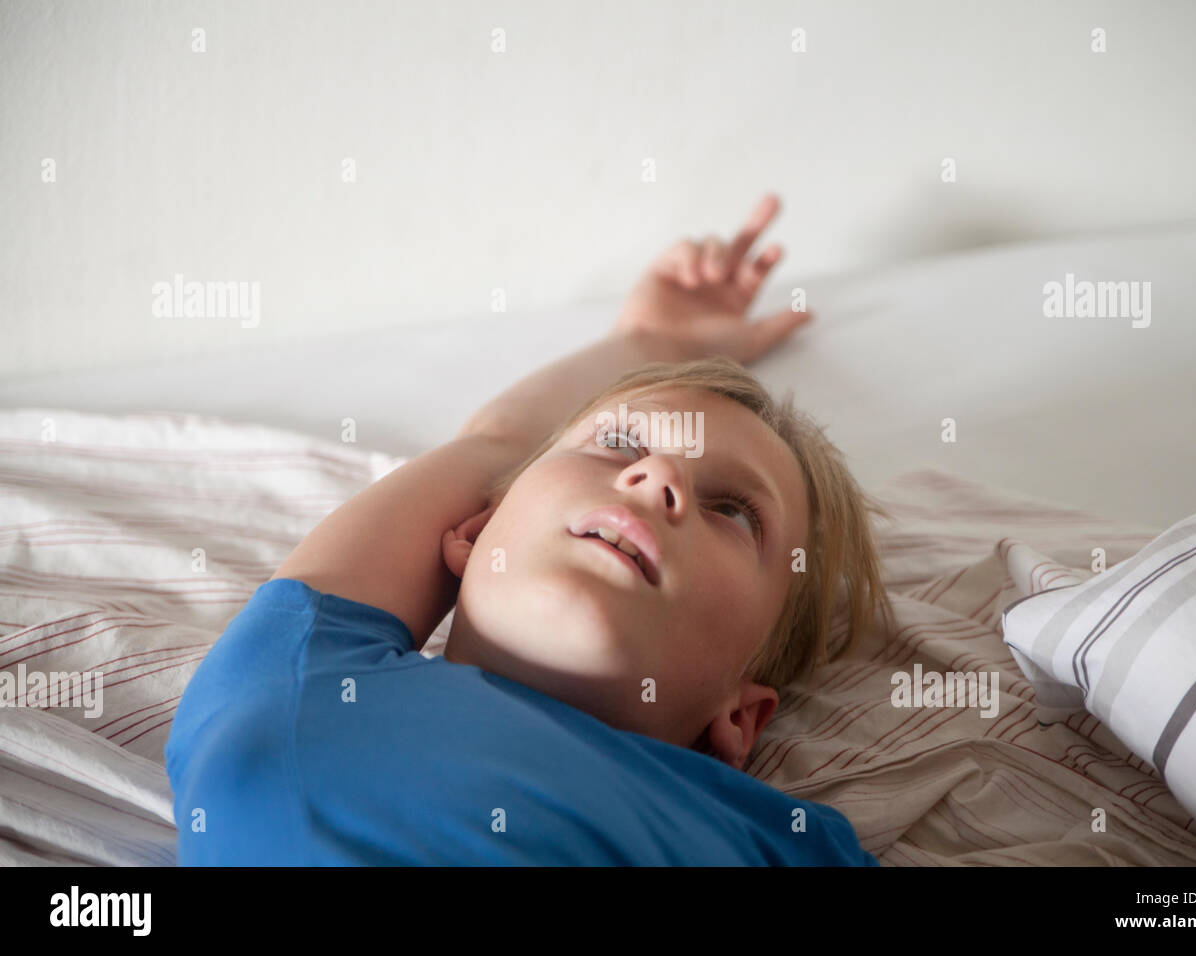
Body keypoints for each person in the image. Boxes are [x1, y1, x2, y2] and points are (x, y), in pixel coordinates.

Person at [164, 193, 896, 865]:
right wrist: (646, 339)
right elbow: (494, 445)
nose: (660, 478)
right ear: (474, 528)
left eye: (733, 511)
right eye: (619, 445)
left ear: (738, 716)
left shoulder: (770, 840)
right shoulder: (309, 667)